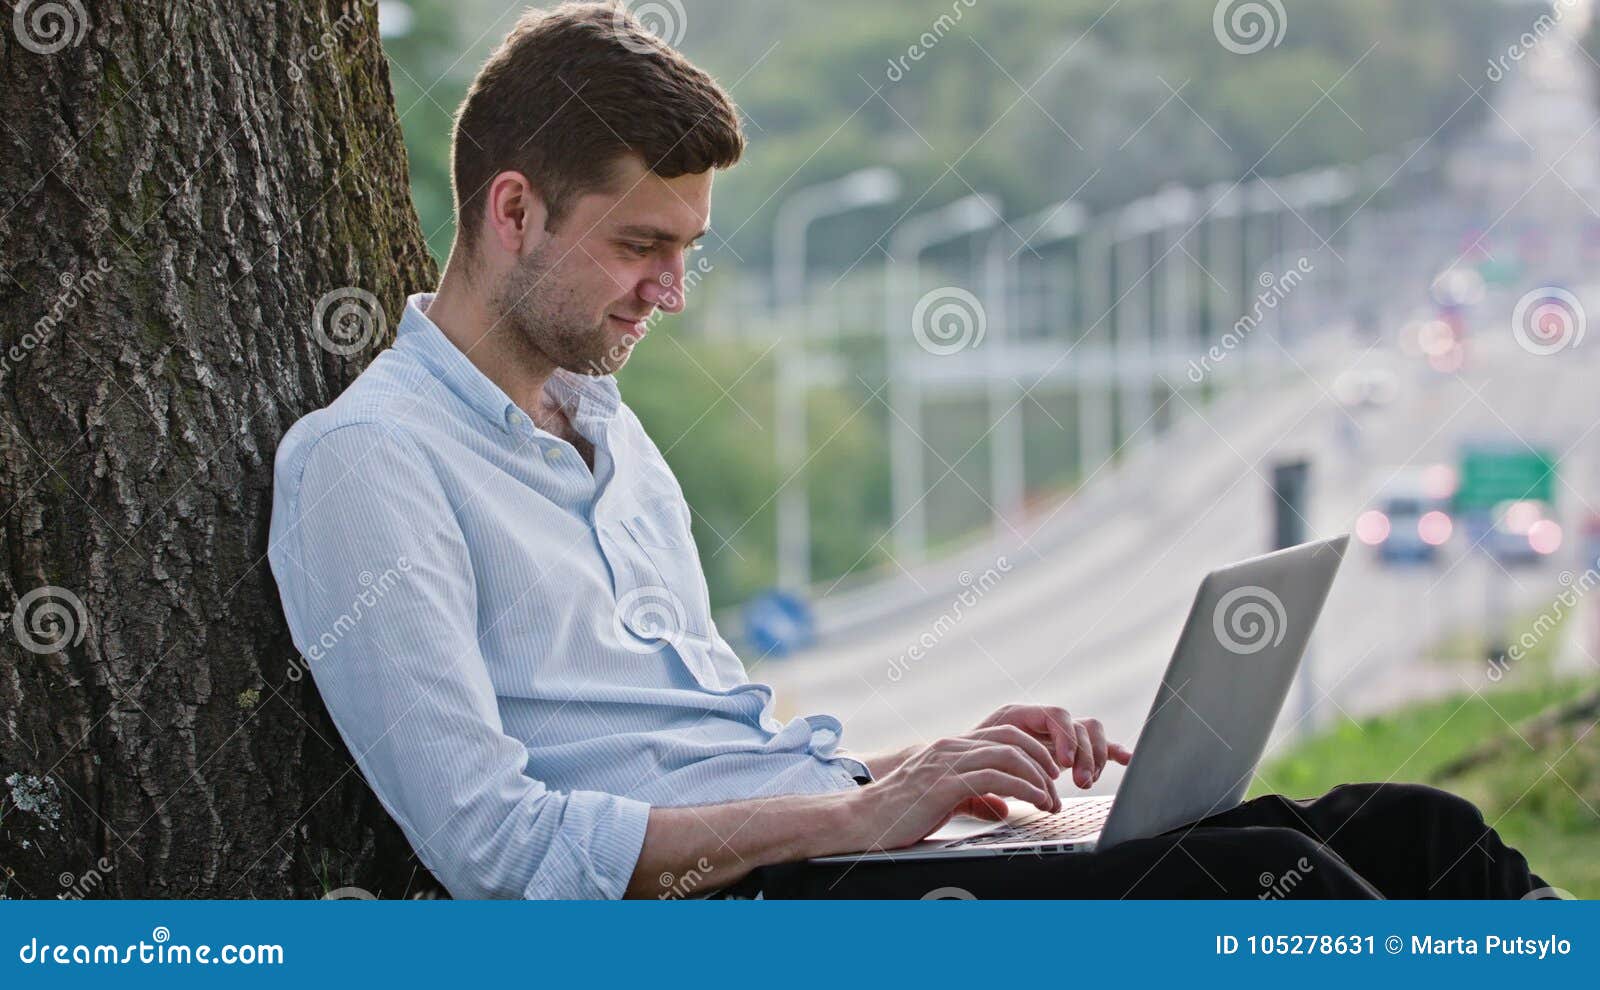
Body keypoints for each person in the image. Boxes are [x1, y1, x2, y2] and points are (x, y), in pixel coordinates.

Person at [266, 2, 1550, 901]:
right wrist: (853, 816)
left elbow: (711, 751)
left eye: (687, 252)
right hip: (759, 916)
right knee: (1282, 905)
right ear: (513, 212)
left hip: (839, 865)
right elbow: (498, 851)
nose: (671, 291)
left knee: (1419, 832)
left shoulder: (609, 435)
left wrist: (936, 765)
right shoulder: (372, 465)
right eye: (641, 246)